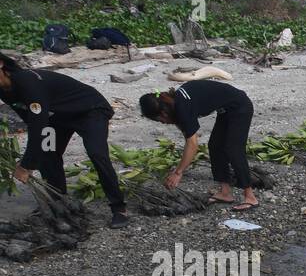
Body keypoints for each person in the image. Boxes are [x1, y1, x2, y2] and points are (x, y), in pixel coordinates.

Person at [0, 52, 127, 228]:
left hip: (89, 111)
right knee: (47, 153)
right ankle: (59, 203)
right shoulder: (4, 90)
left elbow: (39, 126)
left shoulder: (26, 82)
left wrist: (26, 165)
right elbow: (31, 120)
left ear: (1, 64)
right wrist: (35, 157)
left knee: (97, 153)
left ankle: (119, 208)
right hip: (58, 118)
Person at [138, 81, 257, 210]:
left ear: (163, 113)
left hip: (240, 107)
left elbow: (193, 144)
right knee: (215, 146)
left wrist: (178, 172)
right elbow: (188, 137)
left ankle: (250, 196)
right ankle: (225, 192)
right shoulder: (175, 102)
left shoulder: (182, 108)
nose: (162, 123)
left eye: (159, 120)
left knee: (234, 150)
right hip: (226, 110)